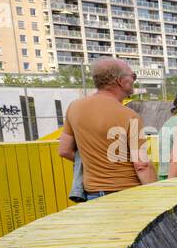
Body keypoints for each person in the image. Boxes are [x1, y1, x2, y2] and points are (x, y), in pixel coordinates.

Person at [58, 58, 155, 200]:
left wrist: (95, 163)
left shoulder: (74, 107)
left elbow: (64, 150)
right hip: (126, 194)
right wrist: (156, 197)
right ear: (120, 81)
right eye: (133, 76)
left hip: (92, 194)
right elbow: (142, 165)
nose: (134, 80)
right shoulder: (129, 116)